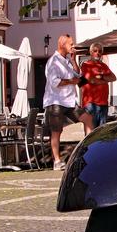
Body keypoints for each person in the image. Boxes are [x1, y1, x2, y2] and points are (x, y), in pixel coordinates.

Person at [43, 34, 93, 171]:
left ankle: (88, 152)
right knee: (56, 131)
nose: (73, 46)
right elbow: (55, 83)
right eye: (71, 44)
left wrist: (74, 59)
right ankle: (57, 161)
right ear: (62, 44)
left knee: (88, 118)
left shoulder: (66, 60)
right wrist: (72, 82)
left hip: (69, 101)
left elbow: (77, 75)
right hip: (56, 101)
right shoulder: (54, 62)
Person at [79, 42, 116, 130]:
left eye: (100, 51)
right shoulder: (86, 65)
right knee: (91, 133)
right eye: (95, 51)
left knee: (100, 134)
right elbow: (92, 80)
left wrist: (102, 77)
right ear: (91, 52)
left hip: (103, 103)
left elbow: (114, 78)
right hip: (91, 104)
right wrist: (105, 80)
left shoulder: (104, 66)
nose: (97, 53)